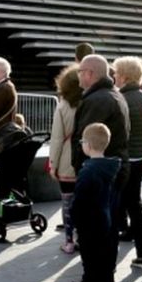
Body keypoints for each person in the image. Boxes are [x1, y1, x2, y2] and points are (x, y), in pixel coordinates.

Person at [72, 54, 130, 282]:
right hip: (113, 169)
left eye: (80, 71)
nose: (78, 75)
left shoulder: (98, 99)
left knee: (96, 231)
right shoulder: (113, 94)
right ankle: (103, 277)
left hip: (100, 173)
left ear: (90, 73)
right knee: (107, 228)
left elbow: (88, 139)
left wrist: (80, 168)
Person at [66, 122, 121, 282]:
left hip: (88, 224)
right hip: (104, 221)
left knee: (89, 263)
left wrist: (73, 220)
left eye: (82, 141)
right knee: (99, 261)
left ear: (88, 145)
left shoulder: (88, 171)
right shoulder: (111, 168)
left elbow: (79, 200)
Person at [111, 56, 142, 269]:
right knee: (136, 206)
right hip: (138, 158)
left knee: (115, 207)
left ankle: (109, 262)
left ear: (124, 76)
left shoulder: (121, 98)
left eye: (116, 73)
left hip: (123, 158)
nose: (114, 77)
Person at [50, 64, 84, 254]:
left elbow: (57, 137)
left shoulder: (63, 105)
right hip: (88, 158)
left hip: (66, 160)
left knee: (67, 203)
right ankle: (84, 238)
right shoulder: (91, 101)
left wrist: (53, 164)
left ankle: (69, 241)